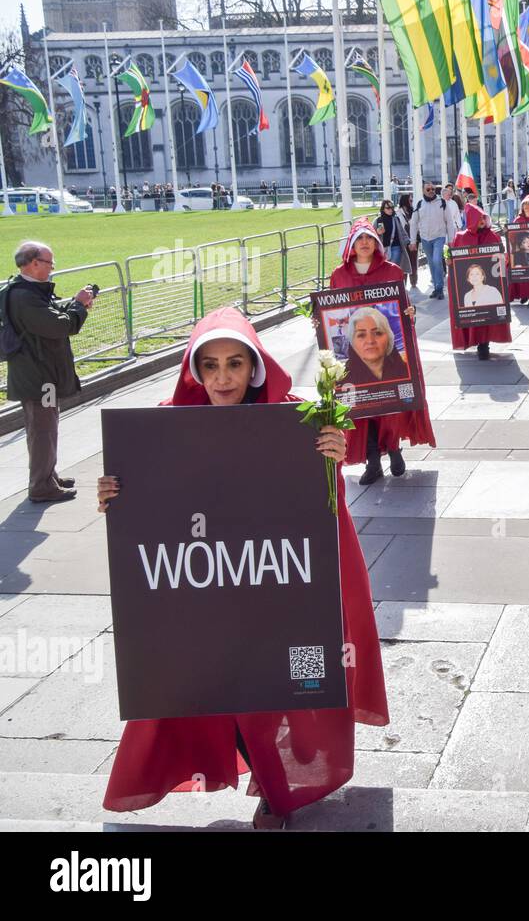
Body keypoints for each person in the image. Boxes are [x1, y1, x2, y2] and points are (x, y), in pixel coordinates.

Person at [97, 307, 389, 826]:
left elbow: (322, 510)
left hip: (273, 588)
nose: (223, 377)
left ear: (254, 366)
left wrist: (330, 457)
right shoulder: (164, 425)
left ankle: (274, 790)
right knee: (210, 687)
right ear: (195, 370)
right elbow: (150, 513)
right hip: (204, 589)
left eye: (235, 363)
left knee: (268, 694)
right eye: (210, 366)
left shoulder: (295, 416)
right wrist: (117, 495)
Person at [329, 219, 435, 485]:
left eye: (369, 238)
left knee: (389, 402)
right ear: (351, 245)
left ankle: (395, 449)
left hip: (385, 349)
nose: (364, 243)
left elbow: (402, 309)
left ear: (376, 243)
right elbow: (333, 312)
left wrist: (409, 312)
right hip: (356, 352)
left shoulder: (392, 271)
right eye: (359, 239)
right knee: (361, 406)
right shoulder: (339, 275)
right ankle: (373, 461)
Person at [5, 241, 95, 503]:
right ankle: (42, 485)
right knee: (43, 430)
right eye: (49, 262)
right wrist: (78, 305)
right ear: (33, 263)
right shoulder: (25, 296)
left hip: (39, 372)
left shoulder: (28, 291)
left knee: (46, 427)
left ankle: (48, 476)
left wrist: (76, 306)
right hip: (38, 376)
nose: (53, 267)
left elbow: (51, 321)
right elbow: (58, 327)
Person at [450, 202, 513, 360]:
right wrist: (449, 262)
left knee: (487, 313)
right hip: (469, 289)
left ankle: (484, 344)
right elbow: (454, 261)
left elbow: (500, 258)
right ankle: (476, 342)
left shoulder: (493, 236)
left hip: (489, 285)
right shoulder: (460, 237)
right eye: (479, 219)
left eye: (484, 218)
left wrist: (504, 260)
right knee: (472, 315)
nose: (482, 221)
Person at [413, 182, 460, 299]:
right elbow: (413, 223)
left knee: (437, 260)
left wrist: (451, 239)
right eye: (428, 189)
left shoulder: (442, 202)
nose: (431, 191)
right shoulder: (419, 204)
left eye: (433, 189)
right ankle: (436, 288)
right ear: (423, 190)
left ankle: (439, 288)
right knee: (431, 263)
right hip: (425, 238)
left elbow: (449, 221)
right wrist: (413, 241)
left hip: (439, 237)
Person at [342, 306, 409, 386]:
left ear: (389, 338)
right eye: (361, 335)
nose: (370, 341)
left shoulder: (408, 372)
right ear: (352, 342)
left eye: (377, 333)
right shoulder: (339, 380)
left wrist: (409, 317)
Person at [374, 199, 411, 271]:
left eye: (392, 207)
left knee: (392, 269)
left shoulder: (395, 219)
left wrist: (408, 242)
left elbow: (402, 232)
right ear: (383, 209)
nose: (390, 209)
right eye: (388, 208)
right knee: (384, 270)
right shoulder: (378, 220)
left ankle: (393, 281)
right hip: (382, 249)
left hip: (395, 247)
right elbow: (372, 235)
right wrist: (378, 233)